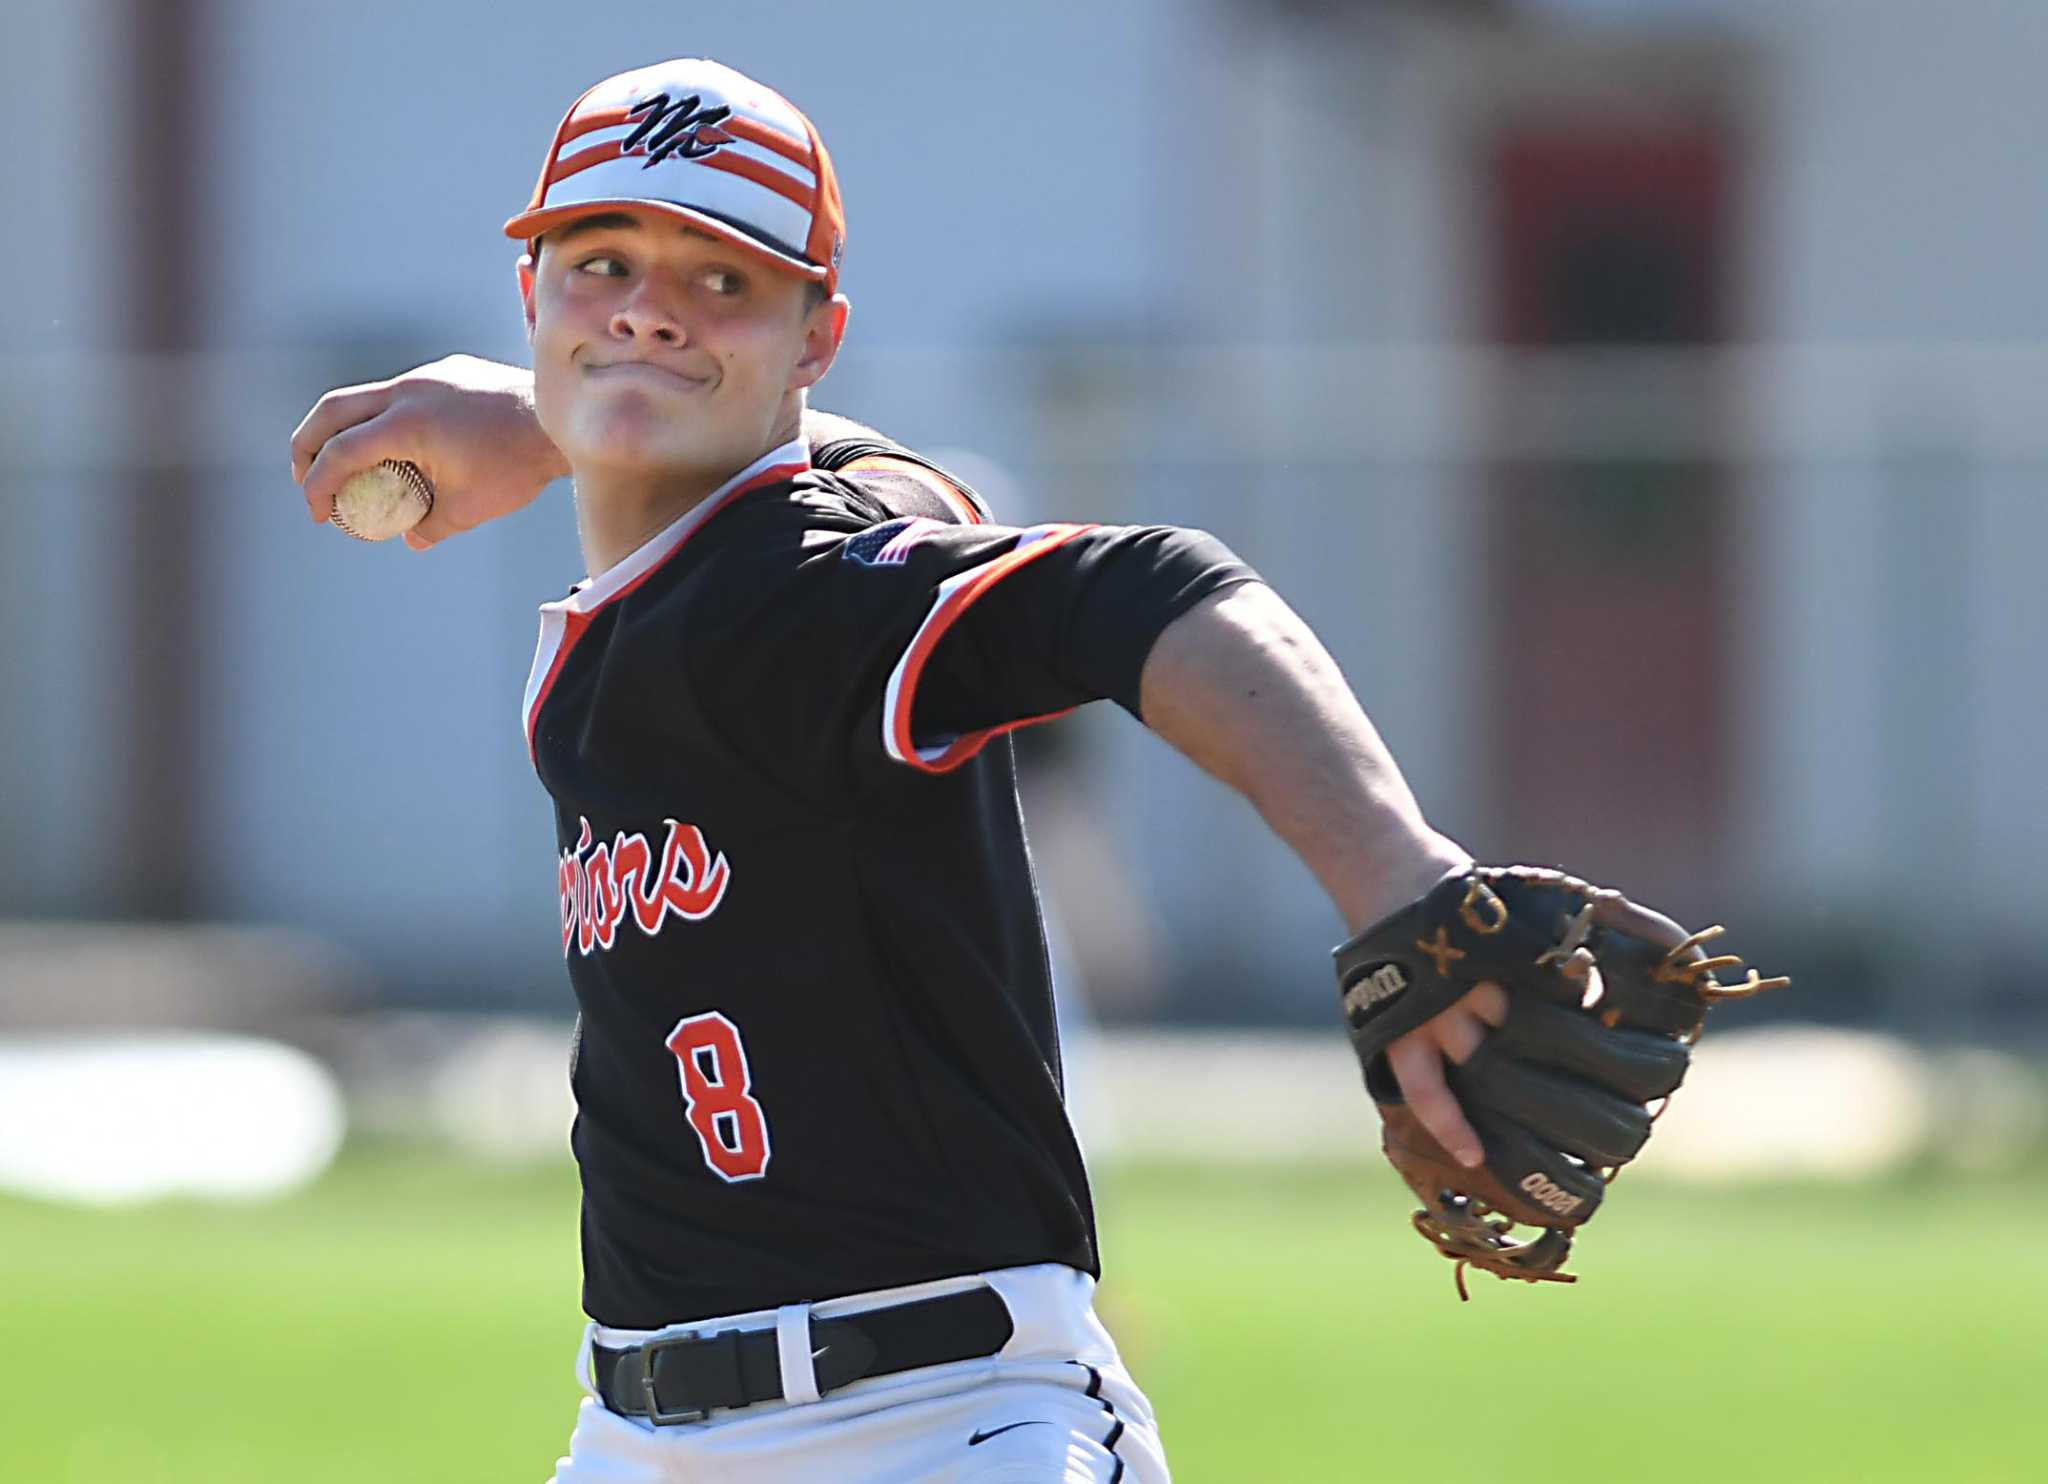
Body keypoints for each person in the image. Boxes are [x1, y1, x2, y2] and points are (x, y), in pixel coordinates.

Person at [291, 58, 1501, 1484]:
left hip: (941, 1426)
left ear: (819, 337)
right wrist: (564, 424)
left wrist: (1405, 884)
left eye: (722, 282)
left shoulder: (802, 595)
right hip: (633, 1435)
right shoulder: (677, 594)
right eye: (600, 262)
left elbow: (1146, 590)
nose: (646, 305)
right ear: (533, 304)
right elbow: (896, 492)